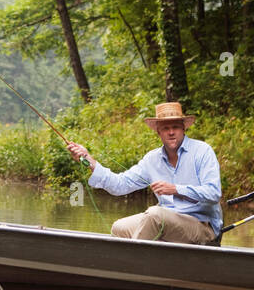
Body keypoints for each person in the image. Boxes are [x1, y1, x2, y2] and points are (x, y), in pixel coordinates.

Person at [65, 102, 222, 245]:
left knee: (155, 215)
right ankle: (148, 261)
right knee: (119, 227)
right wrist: (88, 160)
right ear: (158, 133)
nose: (171, 132)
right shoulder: (152, 159)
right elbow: (119, 185)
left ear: (184, 128)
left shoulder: (202, 151)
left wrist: (176, 189)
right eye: (166, 128)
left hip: (202, 226)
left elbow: (214, 193)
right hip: (165, 221)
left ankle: (129, 266)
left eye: (175, 127)